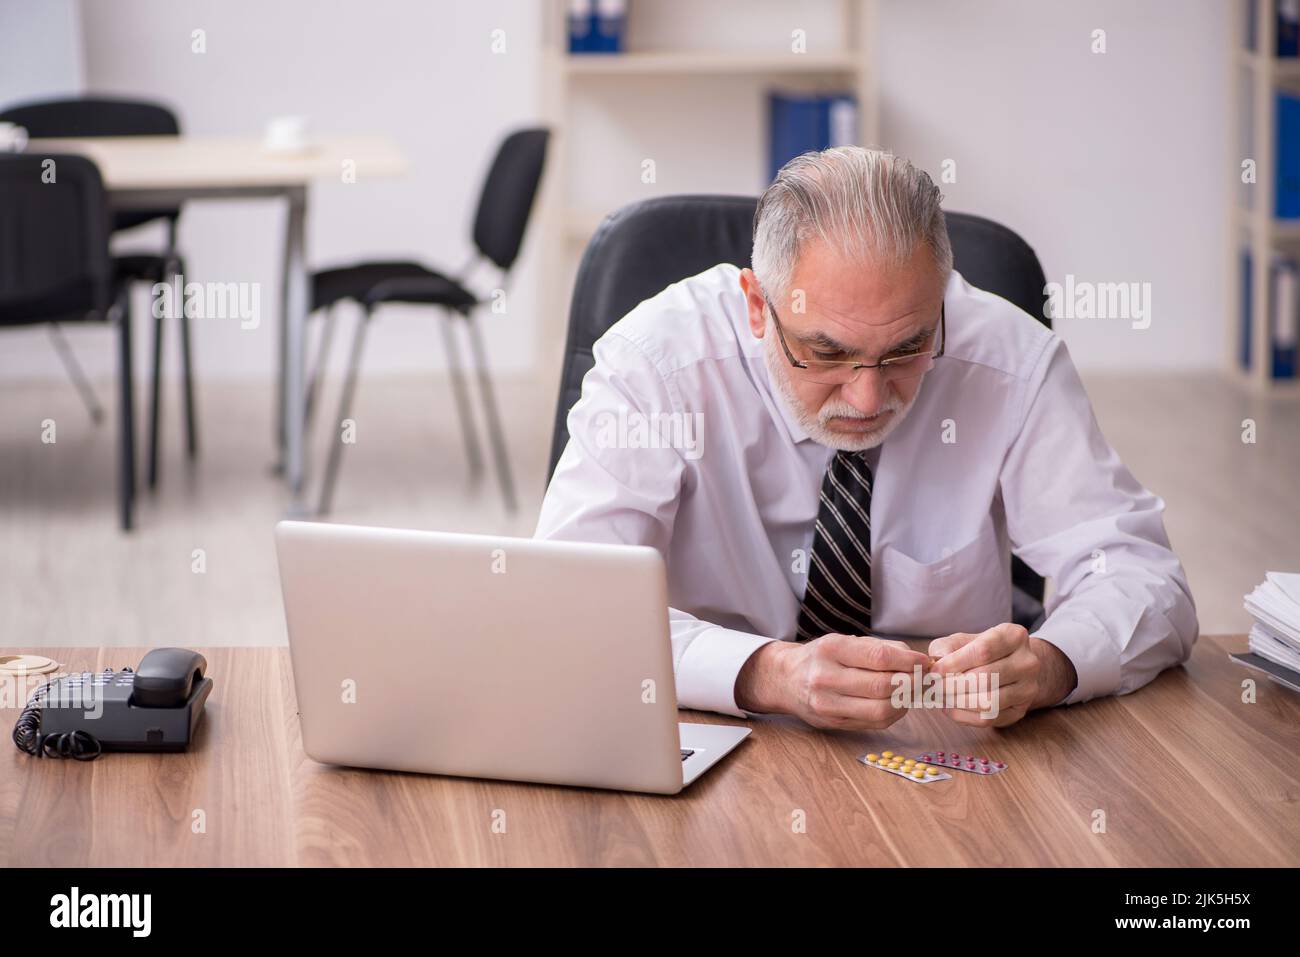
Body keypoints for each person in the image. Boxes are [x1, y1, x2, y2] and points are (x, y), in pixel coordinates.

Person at [536, 146, 1197, 731]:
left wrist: (1054, 662)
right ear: (758, 307)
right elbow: (571, 609)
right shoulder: (657, 364)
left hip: (946, 742)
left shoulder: (1008, 360)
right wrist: (768, 673)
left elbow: (1146, 580)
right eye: (827, 352)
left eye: (907, 348)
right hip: (713, 722)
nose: (868, 398)